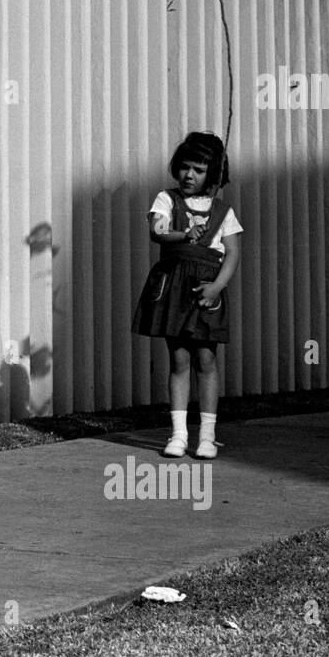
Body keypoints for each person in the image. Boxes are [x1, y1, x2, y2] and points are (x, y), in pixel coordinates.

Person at [132, 132, 242, 460]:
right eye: (184, 167)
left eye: (198, 169)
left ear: (213, 176)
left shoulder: (224, 211)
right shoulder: (167, 199)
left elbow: (233, 253)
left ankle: (206, 436)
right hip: (173, 289)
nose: (189, 175)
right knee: (179, 359)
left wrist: (217, 287)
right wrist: (183, 234)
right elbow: (157, 231)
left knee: (206, 360)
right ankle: (178, 435)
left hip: (206, 290)